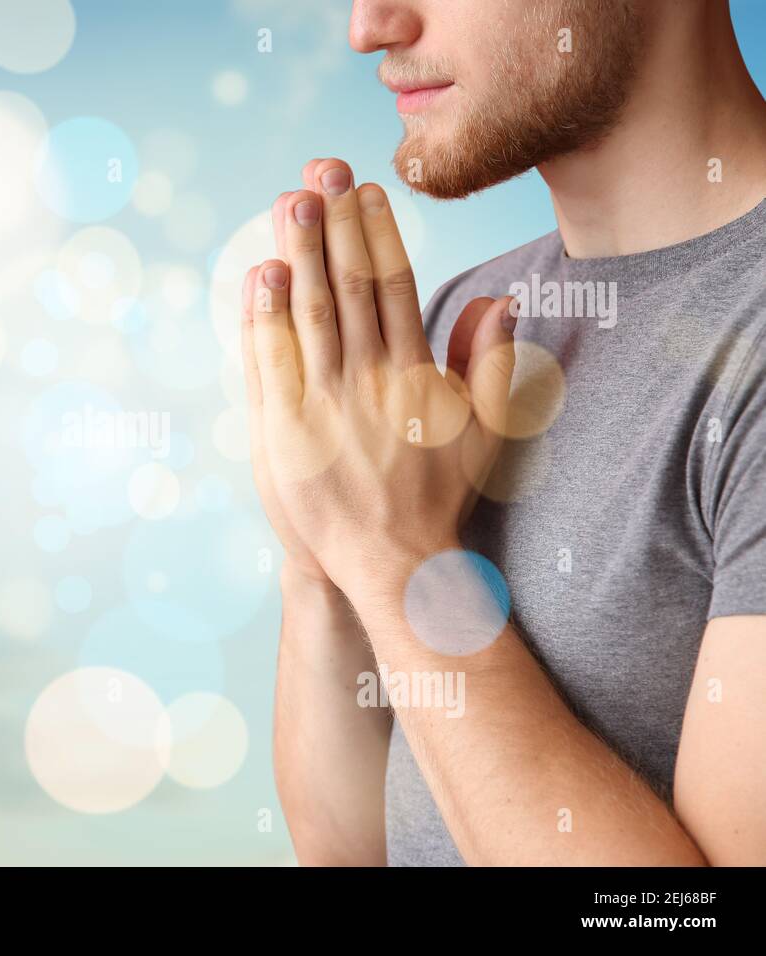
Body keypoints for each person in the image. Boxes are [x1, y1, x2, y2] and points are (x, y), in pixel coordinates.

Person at [245, 0, 766, 865]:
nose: (370, 27)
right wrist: (321, 545)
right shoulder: (457, 322)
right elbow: (346, 849)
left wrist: (398, 561)